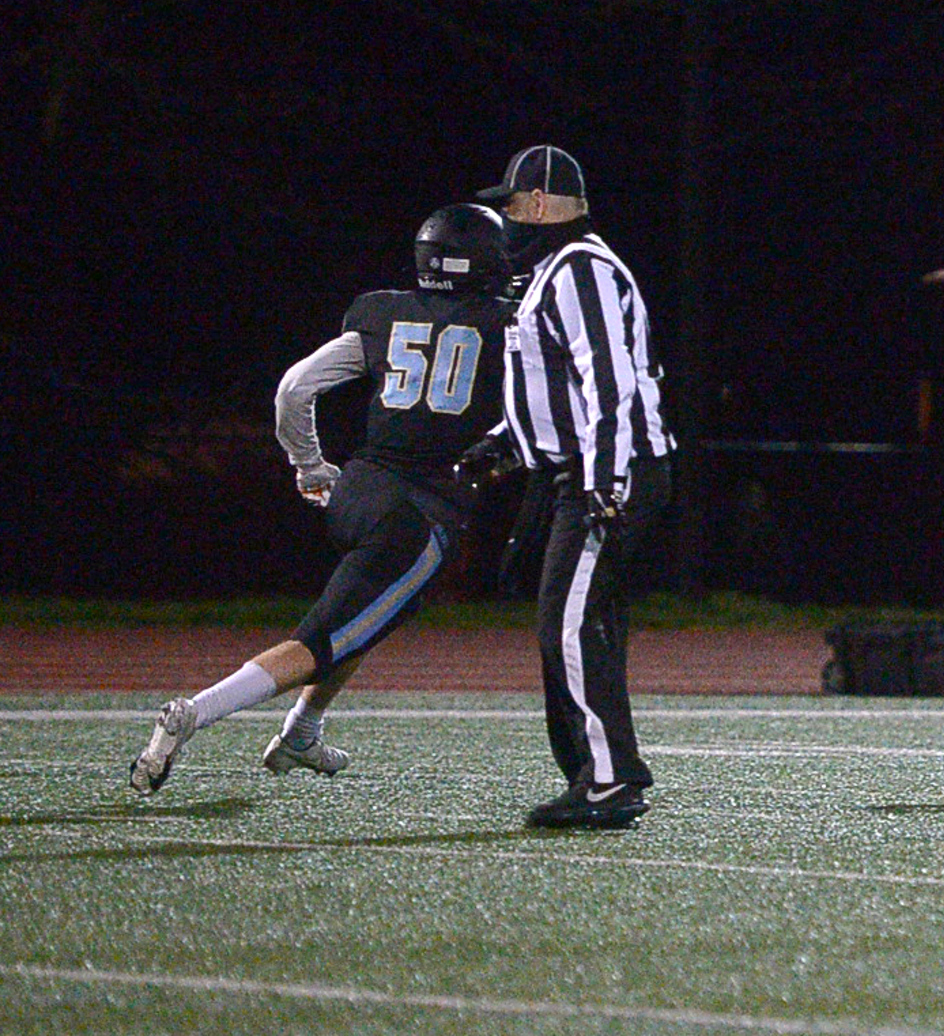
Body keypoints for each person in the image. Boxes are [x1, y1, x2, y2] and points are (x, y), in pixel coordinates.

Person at [129, 205, 515, 793]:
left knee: (362, 618)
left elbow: (295, 388)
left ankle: (302, 731)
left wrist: (309, 465)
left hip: (357, 490)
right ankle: (195, 713)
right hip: (418, 513)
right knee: (321, 638)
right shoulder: (508, 327)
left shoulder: (384, 312)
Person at [461, 144, 673, 830]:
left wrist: (604, 483)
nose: (509, 218)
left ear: (544, 203)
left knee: (572, 621)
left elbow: (608, 385)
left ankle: (610, 778)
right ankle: (595, 770)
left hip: (609, 469)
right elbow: (556, 395)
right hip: (579, 469)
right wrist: (503, 445)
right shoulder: (555, 271)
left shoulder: (581, 270)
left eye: (516, 203)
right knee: (577, 622)